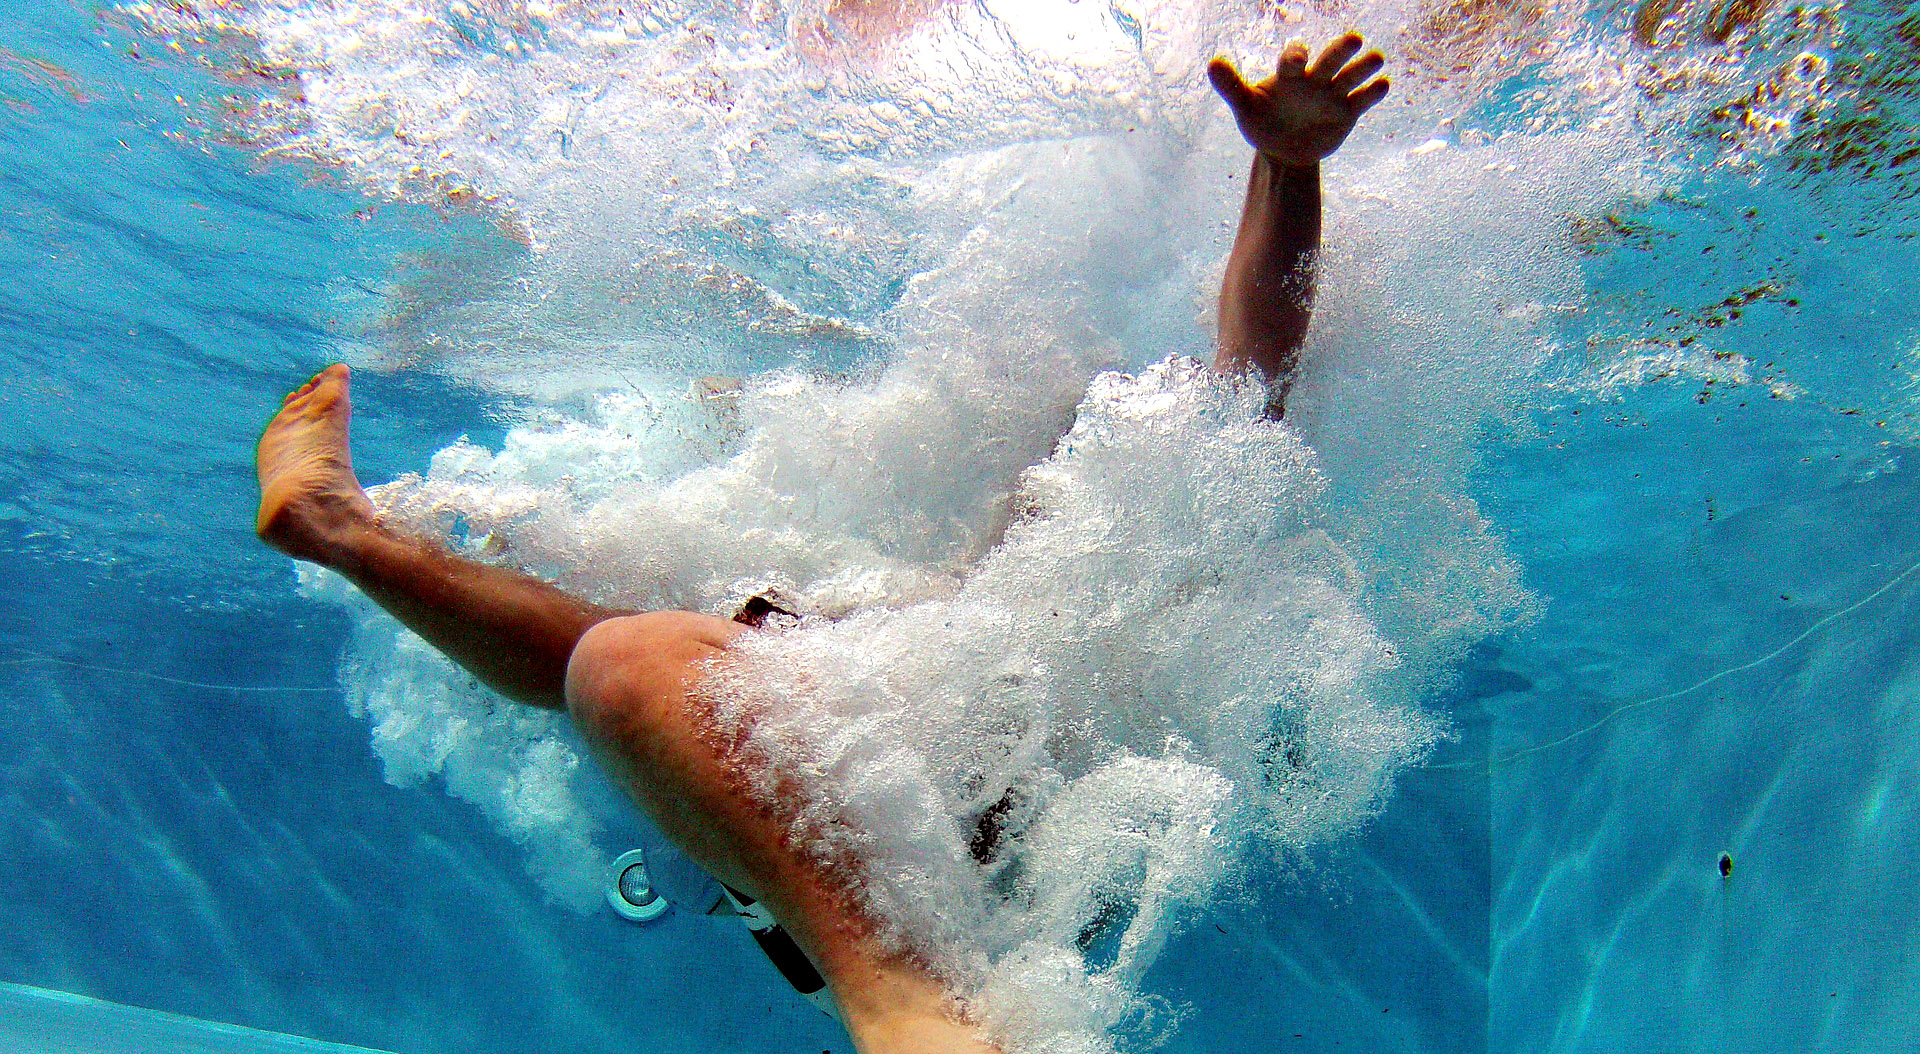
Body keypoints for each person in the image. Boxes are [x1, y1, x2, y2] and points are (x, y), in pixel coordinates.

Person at [254, 34, 1389, 1054]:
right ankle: (340, 531)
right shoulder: (1003, 609)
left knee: (620, 662)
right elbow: (1249, 378)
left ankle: (902, 1003)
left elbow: (1255, 365)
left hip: (925, 879)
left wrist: (1289, 172)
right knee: (608, 658)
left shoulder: (1150, 566)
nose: (1045, 475)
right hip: (884, 825)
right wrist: (1286, 167)